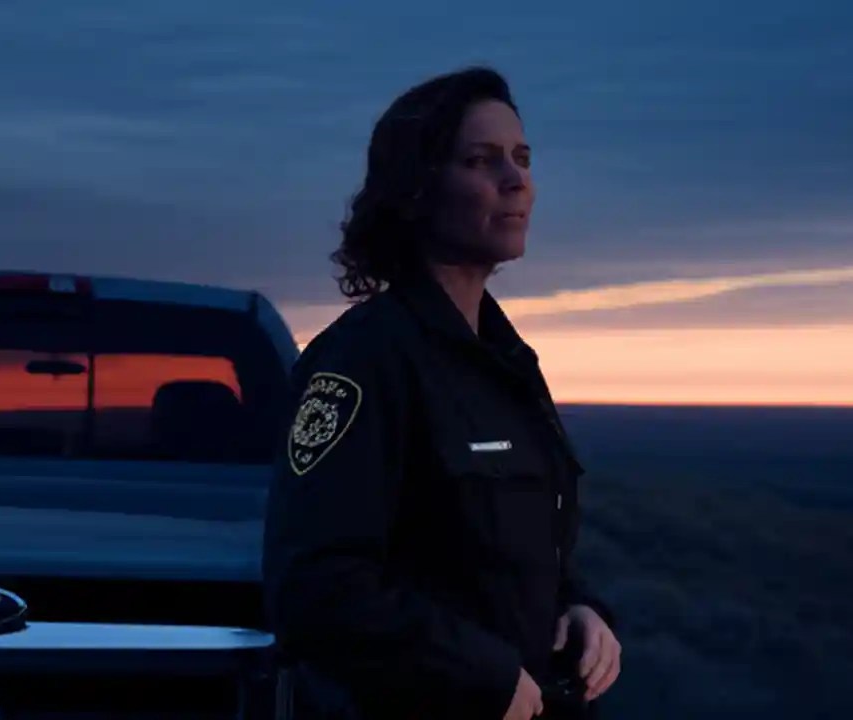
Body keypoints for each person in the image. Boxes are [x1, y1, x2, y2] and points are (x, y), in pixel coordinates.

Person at [262, 66, 621, 720]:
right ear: (417, 189)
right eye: (481, 161)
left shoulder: (506, 363)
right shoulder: (364, 362)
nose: (515, 180)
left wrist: (580, 607)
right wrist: (480, 676)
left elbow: (508, 550)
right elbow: (317, 590)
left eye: (522, 159)